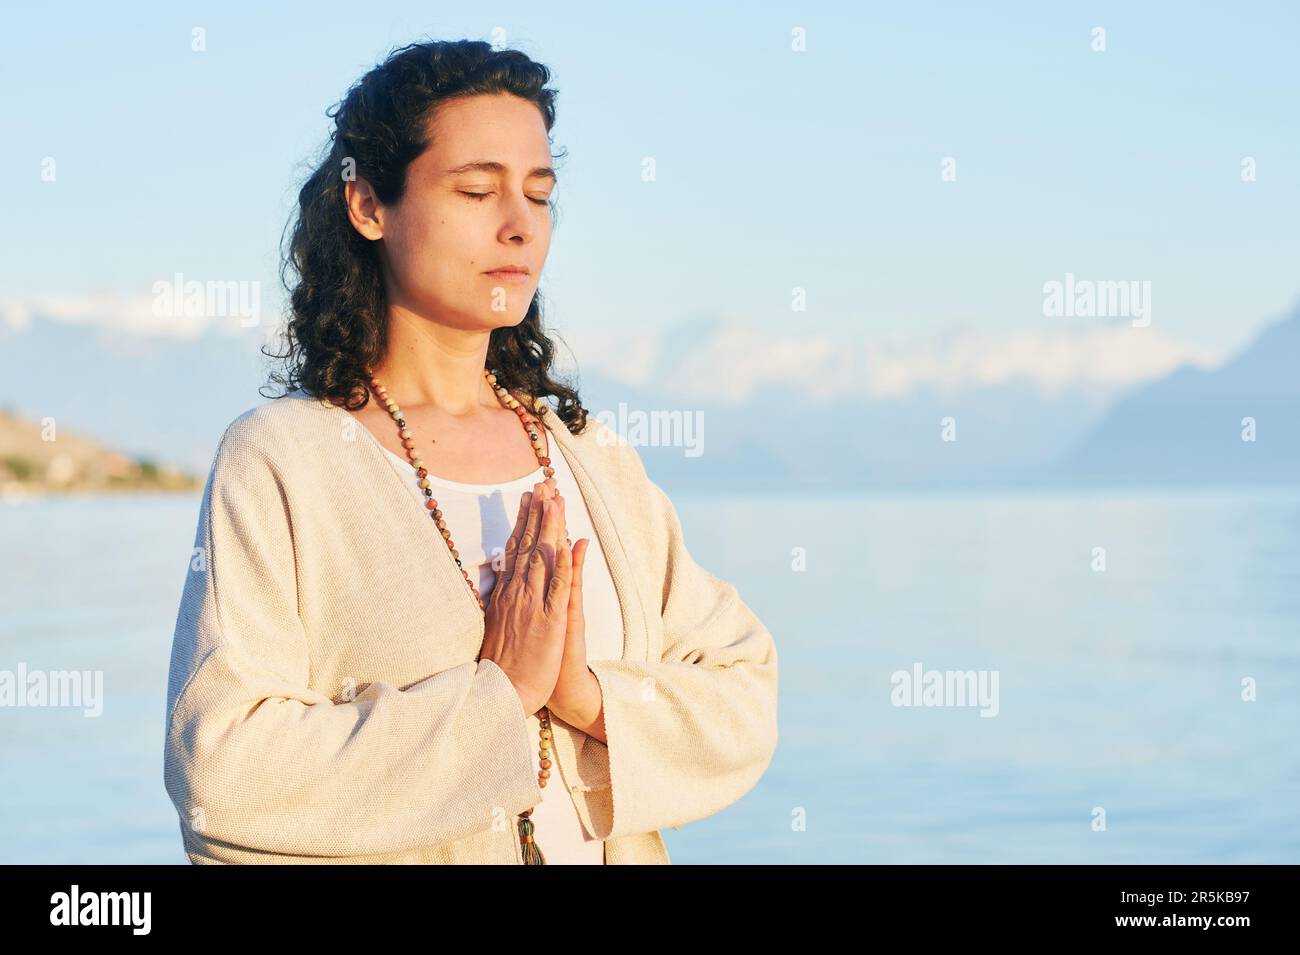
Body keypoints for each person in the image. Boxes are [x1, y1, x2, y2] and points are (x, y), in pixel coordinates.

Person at [162, 38, 778, 865]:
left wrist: (588, 697)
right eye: (478, 189)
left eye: (539, 192)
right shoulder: (285, 462)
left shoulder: (589, 459)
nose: (519, 224)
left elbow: (744, 688)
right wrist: (500, 701)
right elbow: (222, 771)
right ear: (369, 205)